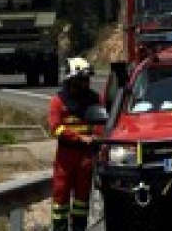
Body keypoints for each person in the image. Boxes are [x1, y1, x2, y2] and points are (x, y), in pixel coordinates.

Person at [48, 57, 102, 231]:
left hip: (86, 158)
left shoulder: (95, 99)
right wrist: (79, 138)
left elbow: (101, 124)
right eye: (81, 79)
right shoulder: (58, 101)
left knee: (82, 200)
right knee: (60, 198)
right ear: (71, 80)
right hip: (65, 157)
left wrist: (97, 139)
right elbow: (55, 129)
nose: (86, 83)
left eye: (87, 79)